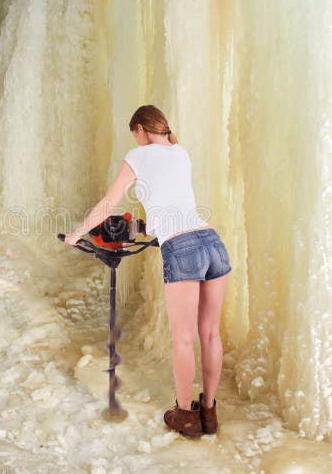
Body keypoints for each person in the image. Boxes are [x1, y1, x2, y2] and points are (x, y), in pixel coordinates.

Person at [64, 104, 232, 439]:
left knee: (183, 340)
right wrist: (144, 226)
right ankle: (209, 413)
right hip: (212, 242)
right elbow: (173, 205)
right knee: (210, 334)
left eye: (136, 137)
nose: (137, 143)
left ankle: (185, 415)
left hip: (182, 249)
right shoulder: (180, 152)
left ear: (140, 129)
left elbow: (108, 204)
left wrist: (77, 234)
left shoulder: (138, 156)